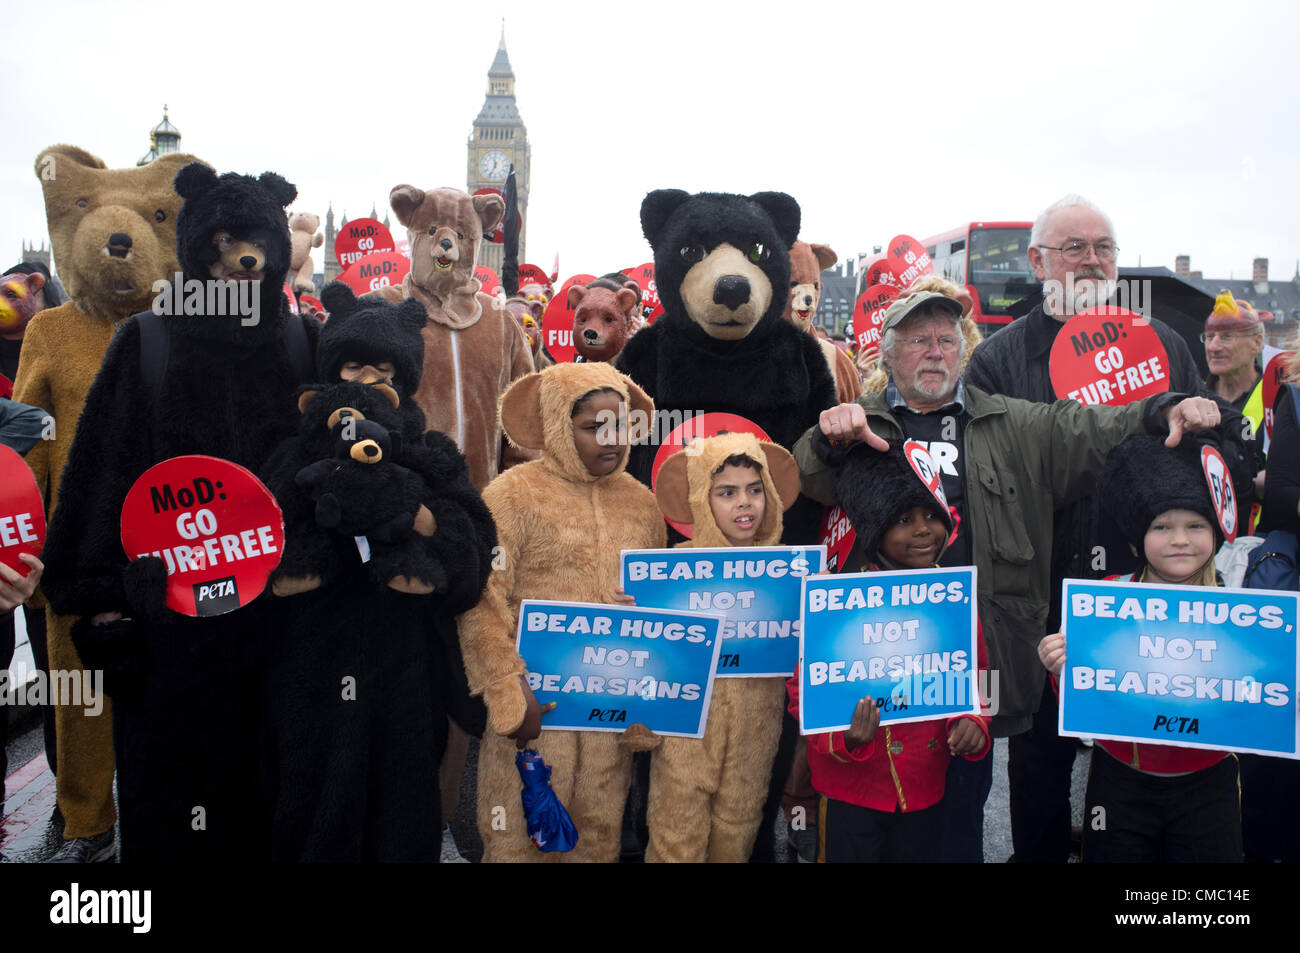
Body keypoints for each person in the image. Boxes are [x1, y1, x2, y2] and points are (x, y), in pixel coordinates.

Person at [794, 287, 1223, 861]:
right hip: (883, 658)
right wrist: (827, 436)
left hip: (979, 657)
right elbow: (804, 475)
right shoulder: (860, 425)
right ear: (888, 355)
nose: (934, 351)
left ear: (963, 351)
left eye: (946, 339)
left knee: (958, 824)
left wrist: (1161, 408)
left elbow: (1094, 428)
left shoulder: (1014, 423)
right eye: (918, 339)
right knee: (867, 822)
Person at [962, 194, 1208, 863]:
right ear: (1039, 260)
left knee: (1139, 754)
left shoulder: (1167, 345)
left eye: (1105, 247)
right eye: (1075, 247)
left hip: (1142, 583)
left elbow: (1202, 458)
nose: (1092, 260)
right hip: (1043, 589)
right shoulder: (999, 358)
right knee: (1039, 763)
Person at [258, 282, 495, 861]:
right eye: (352, 365)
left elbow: (473, 553)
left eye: (382, 368)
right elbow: (256, 544)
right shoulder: (290, 452)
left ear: (404, 379)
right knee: (311, 810)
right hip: (310, 669)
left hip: (404, 674)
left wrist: (418, 519)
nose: (365, 380)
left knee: (400, 814)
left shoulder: (431, 451)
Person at [456, 362, 666, 862]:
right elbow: (484, 601)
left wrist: (644, 703)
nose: (611, 440)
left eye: (620, 425)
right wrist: (508, 691)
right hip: (534, 717)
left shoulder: (643, 504)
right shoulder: (511, 494)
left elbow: (658, 608)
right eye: (594, 427)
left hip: (608, 723)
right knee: (515, 842)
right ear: (556, 424)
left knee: (596, 841)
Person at [1038, 434, 1244, 862]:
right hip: (1120, 779)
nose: (1180, 540)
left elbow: (1265, 696)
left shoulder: (1243, 609)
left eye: (1195, 526)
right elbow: (1082, 697)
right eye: (1162, 527)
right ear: (1137, 539)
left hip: (1208, 782)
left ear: (1215, 532)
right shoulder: (1106, 599)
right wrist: (1059, 669)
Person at [788, 443, 989, 862]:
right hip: (851, 789)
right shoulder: (837, 598)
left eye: (932, 515)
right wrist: (841, 737)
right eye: (903, 519)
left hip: (925, 786)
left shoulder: (954, 597)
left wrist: (975, 719)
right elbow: (800, 690)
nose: (923, 530)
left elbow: (982, 673)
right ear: (876, 530)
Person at [639, 431, 802, 862]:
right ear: (699, 499)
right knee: (675, 835)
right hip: (684, 737)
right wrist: (630, 612)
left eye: (755, 490)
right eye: (726, 492)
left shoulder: (791, 571)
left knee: (739, 831)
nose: (744, 503)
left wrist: (816, 607)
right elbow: (644, 656)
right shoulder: (670, 571)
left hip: (756, 735)